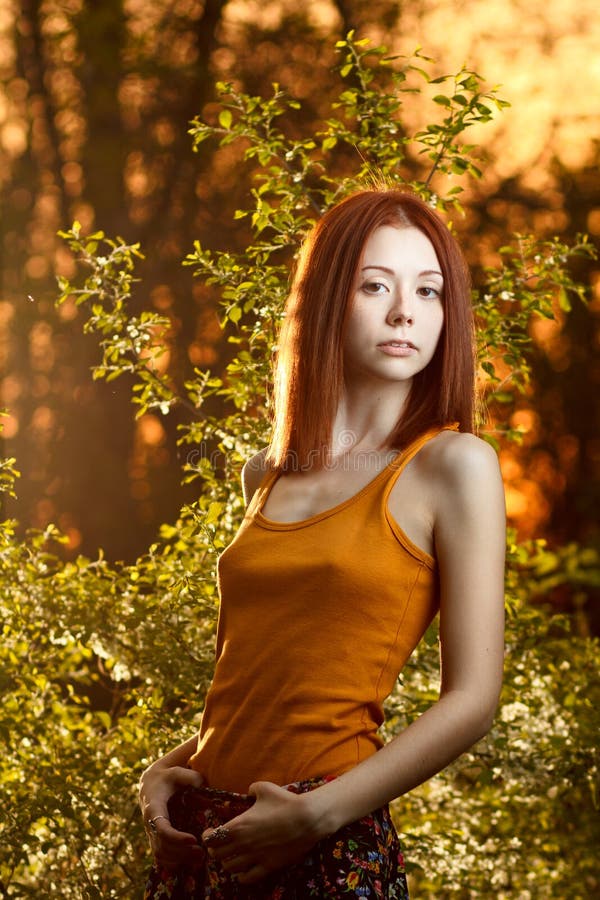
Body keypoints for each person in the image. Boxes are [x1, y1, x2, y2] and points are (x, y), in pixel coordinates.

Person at [139, 188, 506, 898]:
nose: (405, 311)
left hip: (327, 838)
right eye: (376, 285)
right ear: (328, 299)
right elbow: (258, 687)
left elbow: (474, 699)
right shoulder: (268, 474)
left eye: (428, 291)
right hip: (203, 838)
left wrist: (317, 815)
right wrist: (163, 771)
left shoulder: (453, 466)